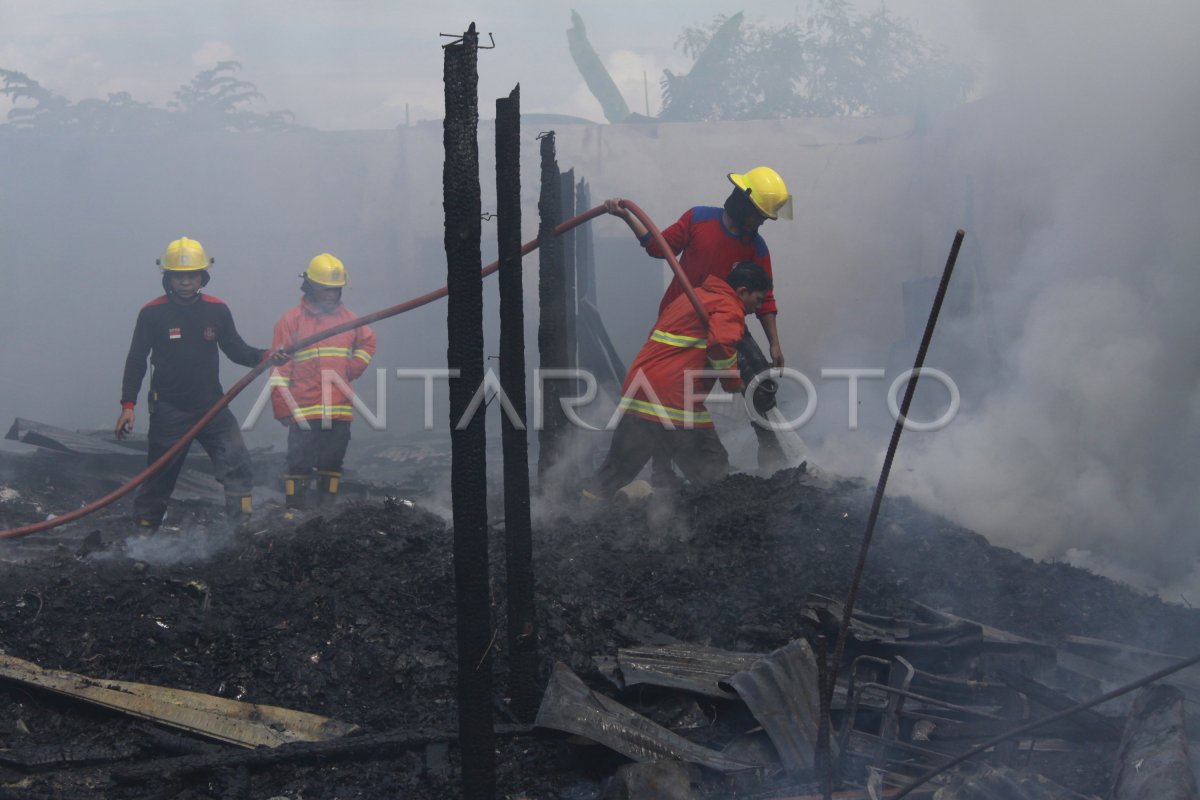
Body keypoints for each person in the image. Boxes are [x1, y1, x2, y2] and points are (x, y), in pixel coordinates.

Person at [605, 165, 793, 478]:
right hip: (683, 324)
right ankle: (664, 477)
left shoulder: (756, 247)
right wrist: (626, 217)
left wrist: (774, 343)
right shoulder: (698, 219)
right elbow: (658, 247)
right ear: (742, 204)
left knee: (761, 384)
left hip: (726, 322)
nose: (761, 223)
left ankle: (774, 461)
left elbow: (765, 298)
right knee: (676, 392)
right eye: (759, 215)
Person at [116, 236, 285, 532]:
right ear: (168, 278)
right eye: (179, 276)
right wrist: (128, 405)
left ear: (203, 276)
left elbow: (235, 349)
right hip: (169, 410)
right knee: (159, 478)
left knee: (238, 466)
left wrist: (265, 356)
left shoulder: (217, 310)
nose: (185, 282)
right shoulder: (152, 313)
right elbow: (136, 360)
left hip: (212, 407)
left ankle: (240, 531)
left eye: (192, 275)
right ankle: (142, 538)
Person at [582, 261, 773, 500]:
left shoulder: (693, 297)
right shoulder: (728, 306)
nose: (757, 308)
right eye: (758, 300)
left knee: (615, 471)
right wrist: (732, 383)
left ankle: (585, 509)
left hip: (640, 390)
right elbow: (721, 344)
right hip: (674, 399)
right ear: (742, 291)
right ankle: (717, 518)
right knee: (713, 470)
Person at [268, 253, 376, 514]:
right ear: (310, 286)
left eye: (335, 289)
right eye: (325, 288)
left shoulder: (350, 319)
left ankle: (325, 511)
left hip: (339, 408)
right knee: (299, 462)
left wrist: (353, 368)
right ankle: (296, 510)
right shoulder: (292, 320)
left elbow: (368, 342)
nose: (331, 294)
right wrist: (281, 406)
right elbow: (280, 366)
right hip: (303, 408)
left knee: (332, 462)